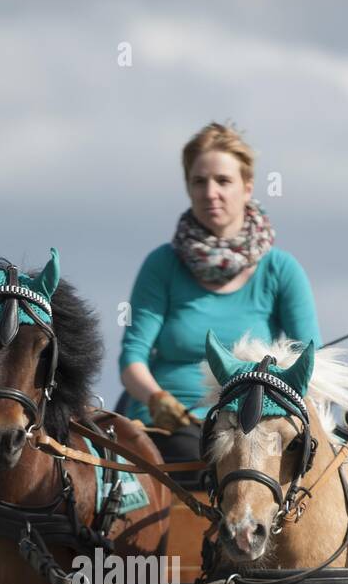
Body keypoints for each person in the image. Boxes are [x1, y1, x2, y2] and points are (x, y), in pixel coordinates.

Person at [117, 121, 322, 480]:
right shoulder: (162, 264)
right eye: (199, 181)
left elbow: (309, 361)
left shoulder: (280, 269)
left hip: (251, 425)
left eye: (223, 181)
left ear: (247, 187)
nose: (211, 192)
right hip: (166, 430)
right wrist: (157, 401)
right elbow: (132, 358)